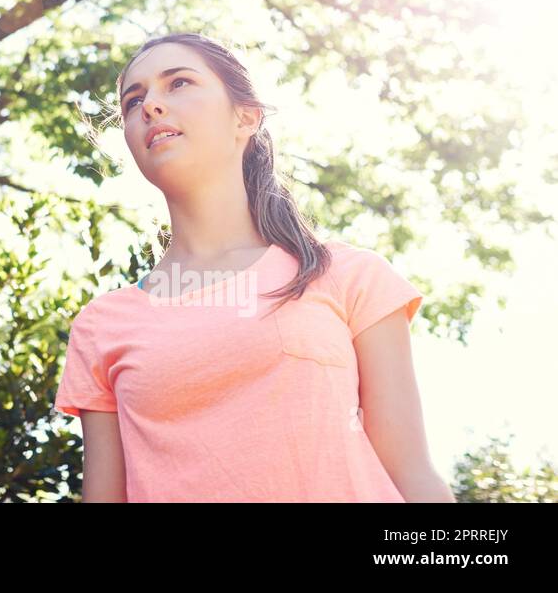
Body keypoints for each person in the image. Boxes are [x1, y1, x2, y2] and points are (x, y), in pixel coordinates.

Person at [55, 33, 455, 503]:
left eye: (178, 83)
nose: (151, 106)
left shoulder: (347, 276)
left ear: (245, 117)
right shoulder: (102, 326)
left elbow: (412, 476)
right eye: (133, 100)